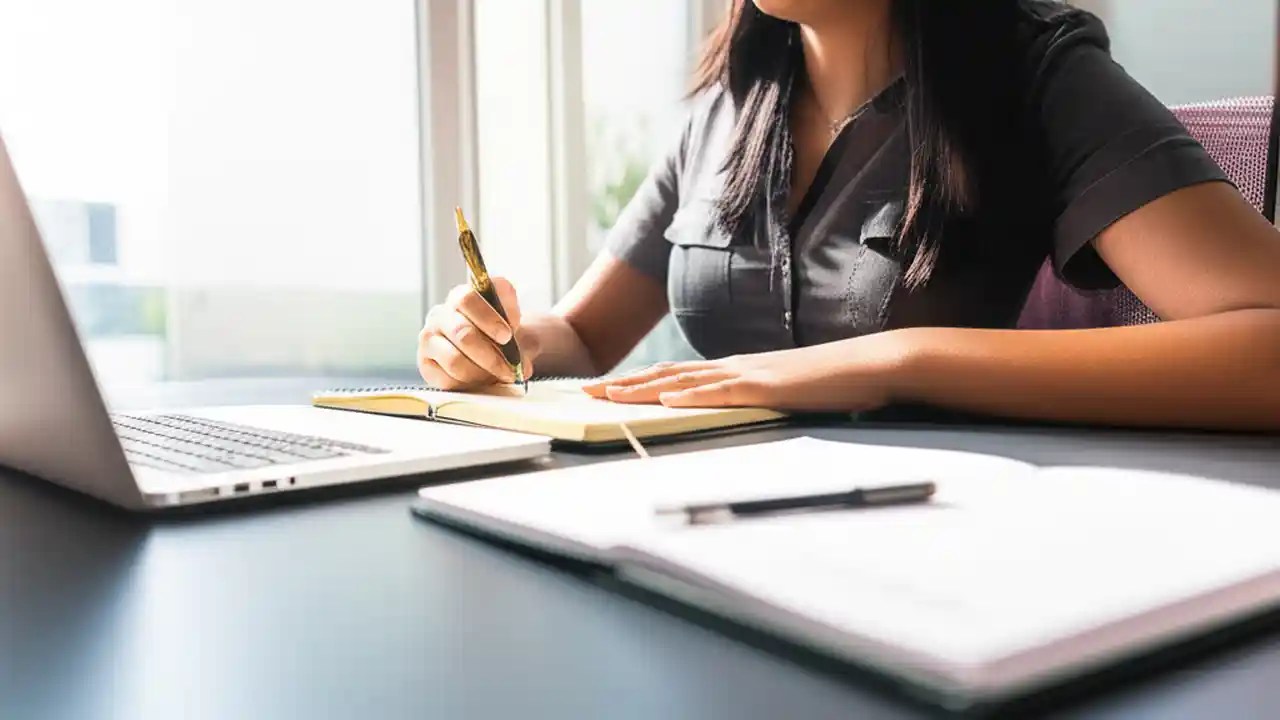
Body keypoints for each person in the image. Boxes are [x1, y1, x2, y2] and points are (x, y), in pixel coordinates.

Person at [417, 0, 1280, 431]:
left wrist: (892, 359)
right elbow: (583, 337)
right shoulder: (724, 110)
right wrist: (505, 342)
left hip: (943, 546)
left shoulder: (1038, 79)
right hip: (701, 534)